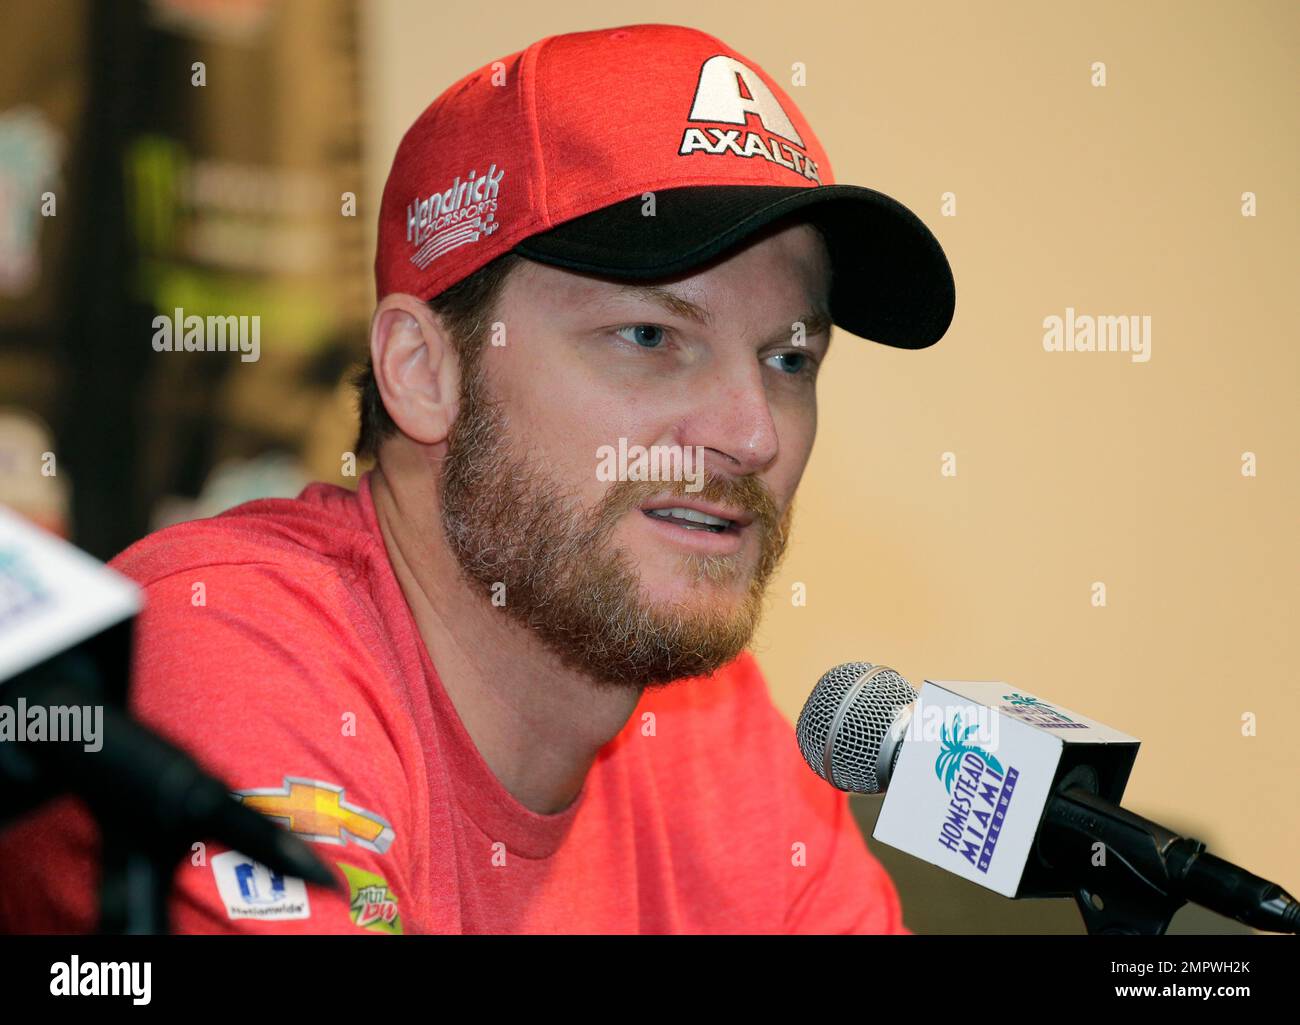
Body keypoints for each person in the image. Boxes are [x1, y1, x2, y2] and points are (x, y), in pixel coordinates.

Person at [0, 22, 953, 934]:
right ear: (423, 370)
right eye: (652, 338)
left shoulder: (711, 729)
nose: (752, 434)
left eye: (790, 359)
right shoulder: (226, 647)